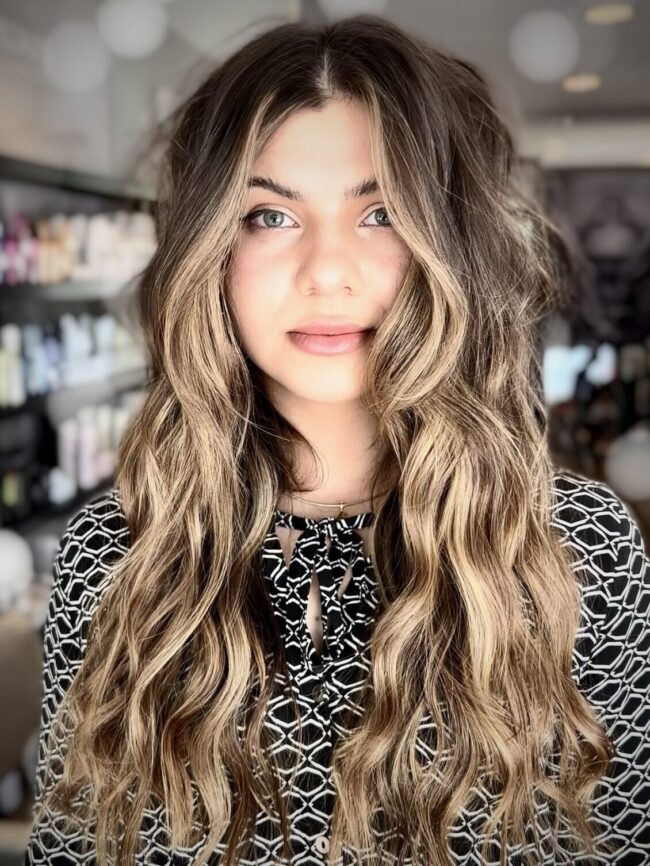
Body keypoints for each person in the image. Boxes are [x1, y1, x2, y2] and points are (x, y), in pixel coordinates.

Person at [24, 14, 649, 866]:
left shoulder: (577, 551)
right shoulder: (115, 557)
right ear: (209, 250)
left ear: (452, 243)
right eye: (270, 215)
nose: (325, 269)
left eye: (381, 212)